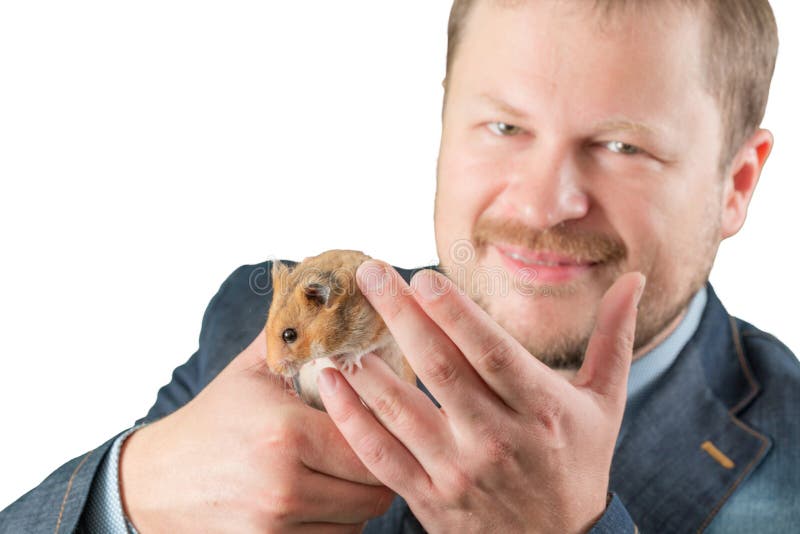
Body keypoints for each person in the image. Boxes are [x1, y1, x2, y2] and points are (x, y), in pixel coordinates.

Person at [2, 0, 798, 532]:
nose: (544, 202)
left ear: (736, 185)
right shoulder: (248, 331)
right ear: (444, 120)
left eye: (623, 146)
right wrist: (131, 495)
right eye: (504, 126)